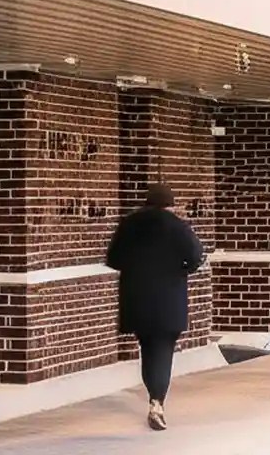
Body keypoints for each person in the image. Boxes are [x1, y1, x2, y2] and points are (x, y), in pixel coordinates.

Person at [105, 183, 205, 431]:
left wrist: (137, 268)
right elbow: (196, 257)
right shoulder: (178, 226)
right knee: (163, 349)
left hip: (137, 297)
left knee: (147, 348)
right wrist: (181, 270)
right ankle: (156, 402)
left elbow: (113, 258)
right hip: (169, 298)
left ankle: (154, 395)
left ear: (147, 201)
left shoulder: (129, 224)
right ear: (169, 203)